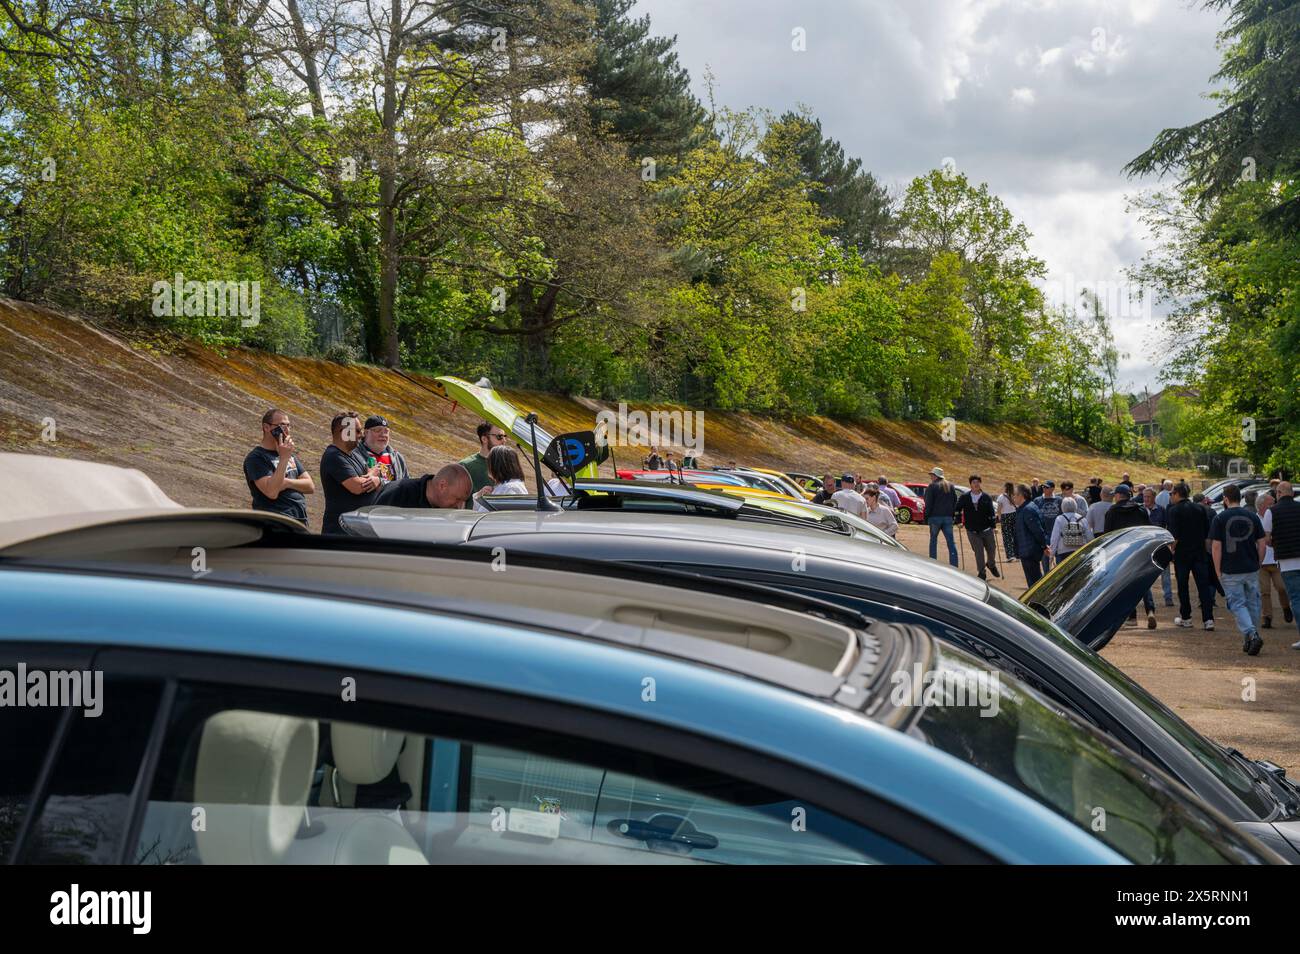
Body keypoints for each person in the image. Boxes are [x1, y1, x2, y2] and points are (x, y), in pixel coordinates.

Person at [1210, 483, 1267, 655]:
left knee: (1237, 604)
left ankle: (1252, 634)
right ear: (1240, 498)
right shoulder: (1253, 516)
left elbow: (1216, 547)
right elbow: (1262, 543)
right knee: (1253, 604)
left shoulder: (1219, 518)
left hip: (1230, 568)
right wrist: (1258, 562)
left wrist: (1217, 570)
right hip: (1251, 567)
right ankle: (1250, 637)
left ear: (1225, 499)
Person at [244, 408, 315, 526]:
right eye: (282, 425)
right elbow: (272, 491)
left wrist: (287, 482)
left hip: (299, 519)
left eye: (288, 425)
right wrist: (284, 459)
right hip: (275, 521)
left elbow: (310, 486)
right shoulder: (256, 458)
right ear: (266, 427)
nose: (286, 429)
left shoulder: (287, 454)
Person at [1105, 484, 1157, 629]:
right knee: (1144, 583)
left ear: (1119, 496)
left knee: (1125, 585)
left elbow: (1107, 536)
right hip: (1140, 550)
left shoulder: (1112, 511)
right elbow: (1149, 530)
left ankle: (1132, 616)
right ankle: (1150, 610)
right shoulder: (1140, 510)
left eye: (1115, 494)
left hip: (1121, 553)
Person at [320, 410, 380, 534]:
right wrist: (373, 478)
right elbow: (357, 487)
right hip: (339, 532)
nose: (361, 435)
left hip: (358, 530)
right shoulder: (333, 456)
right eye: (357, 431)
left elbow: (372, 463)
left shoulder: (355, 452)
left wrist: (373, 477)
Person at [1167, 482, 1216, 631]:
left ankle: (1186, 617)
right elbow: (1208, 534)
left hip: (1182, 554)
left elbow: (1174, 536)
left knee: (1183, 586)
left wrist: (1171, 551)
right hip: (1199, 552)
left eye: (1171, 494)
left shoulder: (1174, 511)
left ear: (1177, 494)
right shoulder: (1201, 508)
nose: (1170, 497)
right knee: (1203, 586)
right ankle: (1208, 619)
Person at [1261, 481, 1300, 649]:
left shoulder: (1272, 511)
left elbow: (1267, 538)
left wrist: (1274, 543)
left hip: (1286, 561)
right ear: (1292, 493)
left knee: (1297, 600)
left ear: (1278, 493)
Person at [1256, 493, 1292, 632]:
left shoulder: (1276, 517)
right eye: (1270, 504)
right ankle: (1267, 617)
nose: (1273, 506)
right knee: (1264, 591)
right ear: (1261, 506)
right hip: (1261, 562)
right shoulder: (1255, 519)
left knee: (1282, 587)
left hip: (1276, 560)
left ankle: (1285, 607)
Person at [374, 463, 473, 510]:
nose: (460, 507)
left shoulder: (444, 508)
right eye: (457, 499)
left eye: (464, 501)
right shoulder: (399, 493)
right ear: (442, 486)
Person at [956, 475, 999, 580]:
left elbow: (992, 512)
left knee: (992, 549)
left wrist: (994, 526)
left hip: (987, 529)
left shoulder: (986, 497)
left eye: (978, 482)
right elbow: (957, 510)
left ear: (980, 484)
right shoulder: (965, 497)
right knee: (979, 552)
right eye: (974, 482)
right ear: (970, 484)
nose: (976, 484)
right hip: (972, 530)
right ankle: (981, 572)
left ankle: (991, 564)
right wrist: (958, 522)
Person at [460, 421, 508, 507]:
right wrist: (478, 496)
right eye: (499, 437)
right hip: (473, 519)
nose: (504, 440)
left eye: (505, 436)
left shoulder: (508, 466)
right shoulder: (465, 466)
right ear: (484, 439)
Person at [1012, 484, 1050, 588]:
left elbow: (1038, 531)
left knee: (1035, 583)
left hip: (1030, 551)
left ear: (1021, 495)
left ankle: (1038, 603)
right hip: (1027, 550)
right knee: (1034, 582)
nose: (1013, 497)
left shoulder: (1028, 509)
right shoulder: (1025, 508)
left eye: (1015, 495)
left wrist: (1044, 546)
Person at [1142, 487, 1173, 607]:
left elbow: (1167, 526)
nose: (1146, 499)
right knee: (1144, 574)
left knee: (1165, 572)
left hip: (1160, 545)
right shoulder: (1140, 510)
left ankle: (1168, 597)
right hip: (1145, 547)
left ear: (1154, 497)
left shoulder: (1161, 510)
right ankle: (1146, 600)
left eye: (1149, 497)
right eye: (1145, 496)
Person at [473, 445, 529, 510]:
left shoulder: (511, 488)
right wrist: (479, 497)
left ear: (496, 466)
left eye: (489, 462)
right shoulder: (506, 486)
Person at [923, 467, 958, 567]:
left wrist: (926, 516)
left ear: (935, 476)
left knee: (933, 541)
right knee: (951, 542)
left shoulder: (932, 486)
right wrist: (952, 514)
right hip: (948, 517)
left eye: (932, 475)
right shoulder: (950, 486)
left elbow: (928, 503)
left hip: (935, 517)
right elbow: (954, 501)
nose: (931, 477)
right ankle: (954, 565)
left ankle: (933, 564)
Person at [359, 415, 408, 485]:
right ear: (366, 432)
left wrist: (380, 482)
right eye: (378, 430)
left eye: (386, 431)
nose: (383, 435)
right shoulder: (354, 454)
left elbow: (405, 485)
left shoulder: (397, 457)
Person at [1034, 481, 1063, 575]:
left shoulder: (1059, 500)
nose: (1044, 489)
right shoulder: (1037, 501)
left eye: (1047, 487)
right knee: (1045, 558)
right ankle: (1046, 575)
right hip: (1044, 533)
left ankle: (1059, 576)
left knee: (1059, 557)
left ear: (1052, 488)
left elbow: (1063, 515)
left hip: (1058, 533)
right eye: (1043, 487)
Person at [996, 481, 1018, 560]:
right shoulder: (1014, 496)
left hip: (1005, 516)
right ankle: (1017, 554)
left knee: (1007, 536)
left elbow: (999, 509)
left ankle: (1010, 555)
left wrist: (999, 518)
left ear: (1005, 487)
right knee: (1015, 535)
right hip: (1014, 515)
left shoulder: (1001, 497)